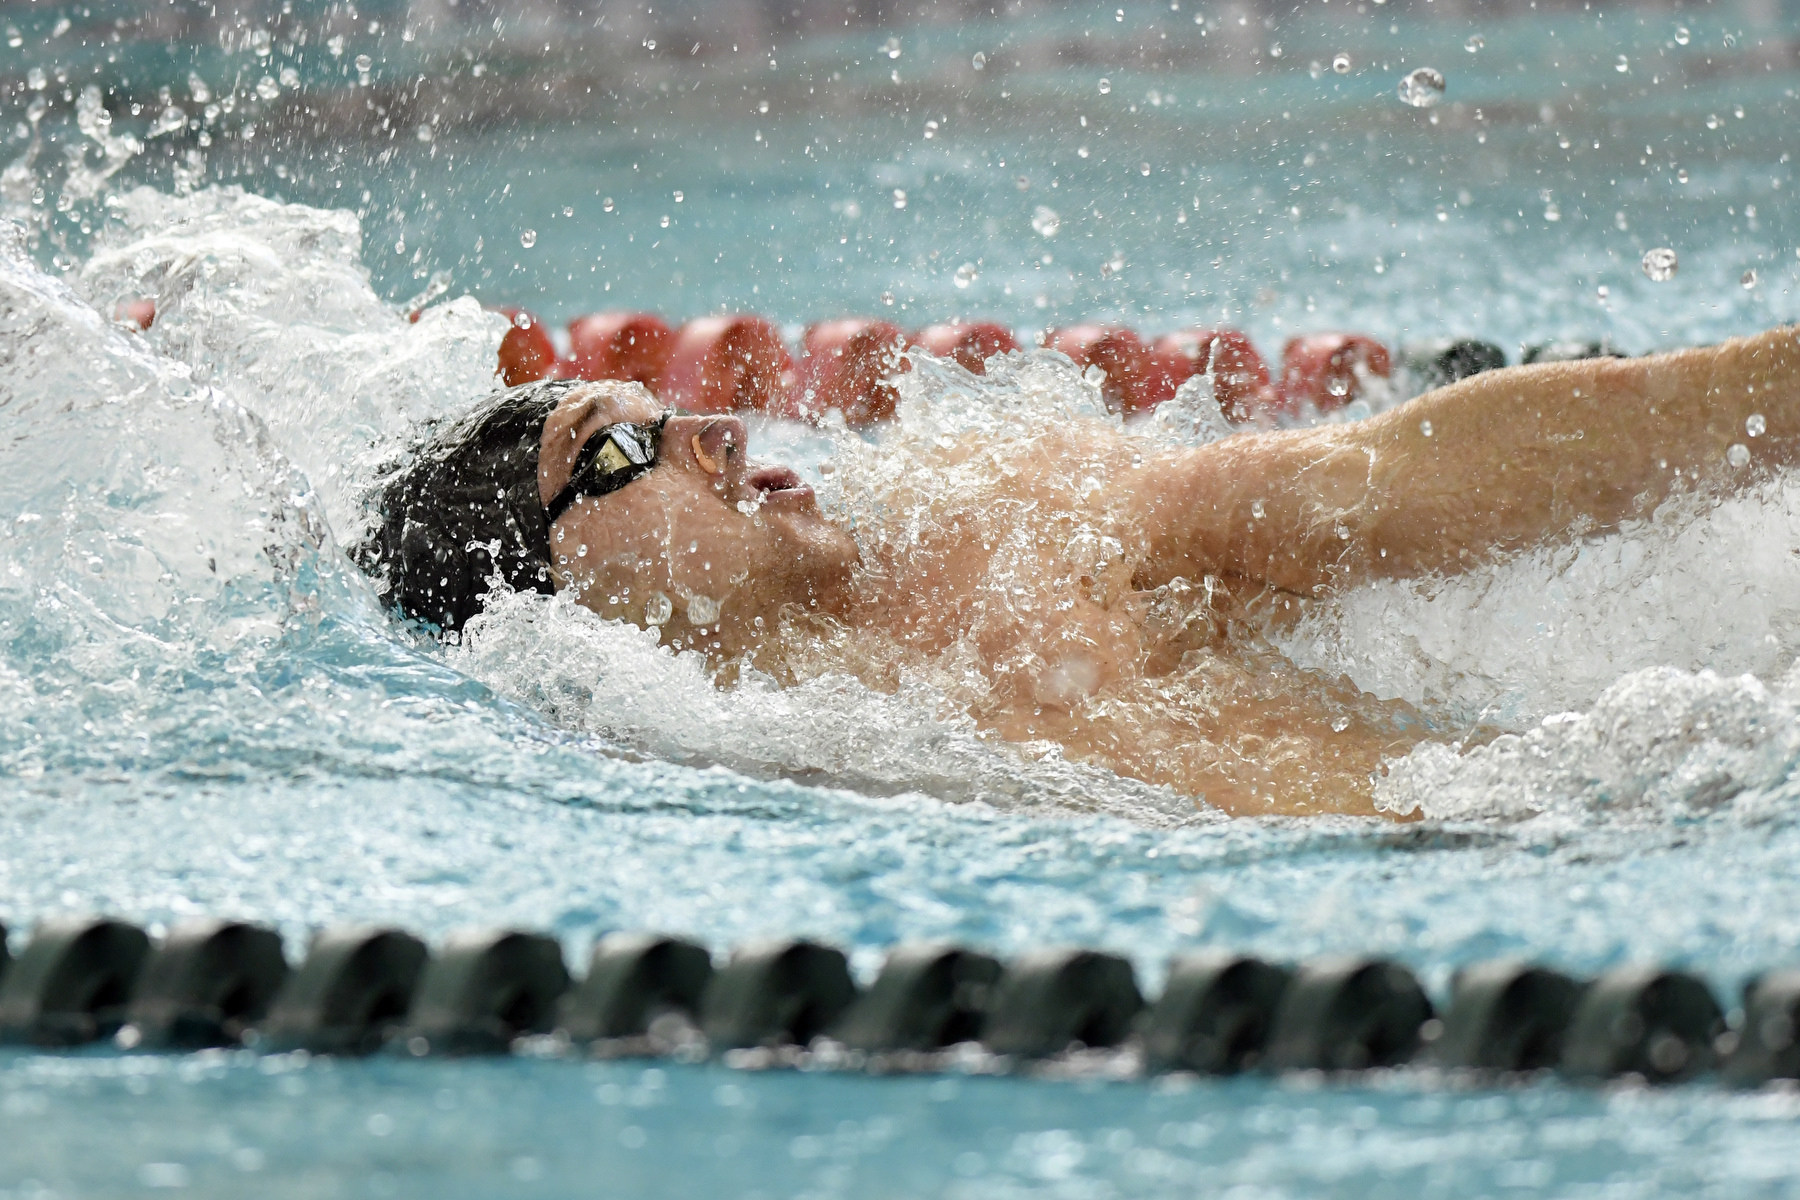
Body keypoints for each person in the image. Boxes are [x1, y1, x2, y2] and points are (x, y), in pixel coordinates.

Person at [357, 326, 1800, 818]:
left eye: (671, 409)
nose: (723, 432)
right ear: (539, 599)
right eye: (622, 450)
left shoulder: (1002, 522)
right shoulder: (679, 768)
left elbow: (1362, 487)